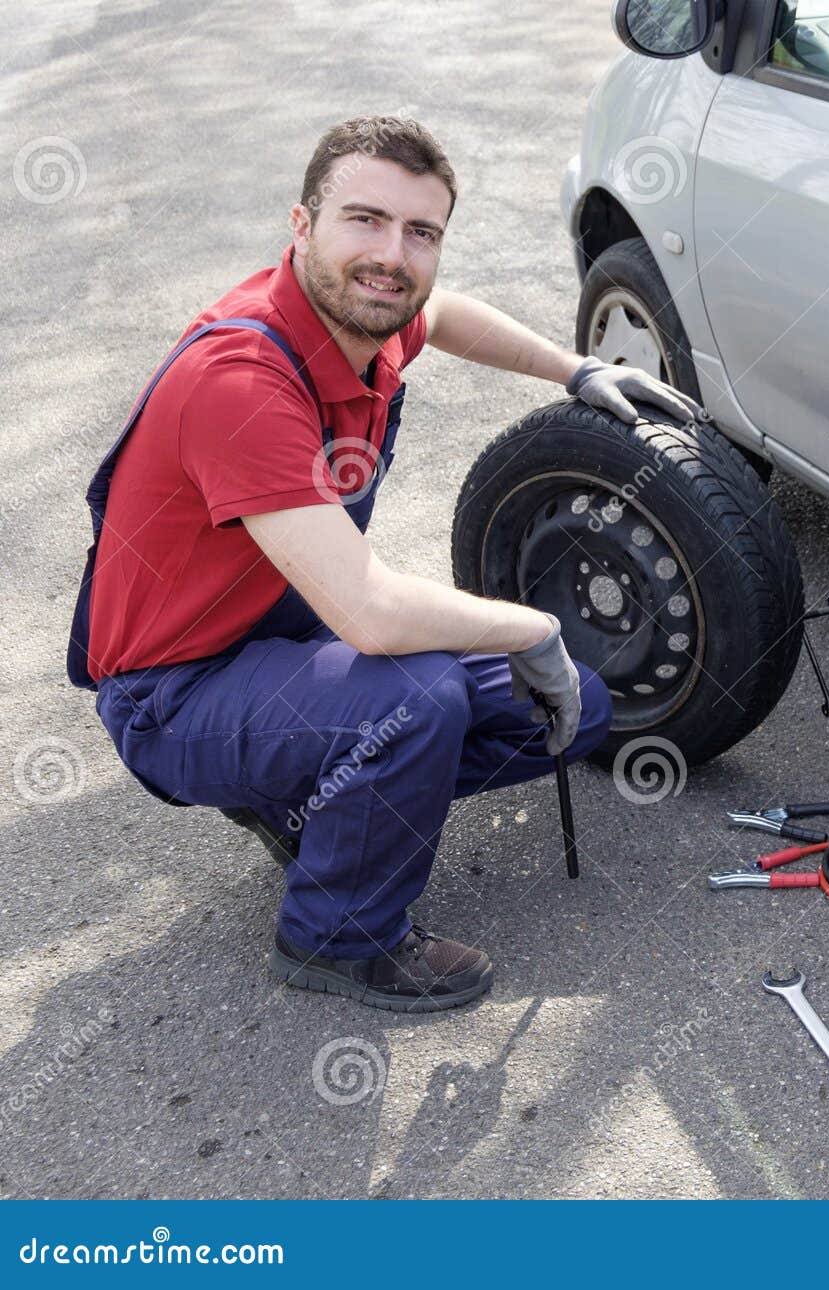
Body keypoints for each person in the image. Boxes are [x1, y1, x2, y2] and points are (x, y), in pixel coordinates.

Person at [66, 116, 701, 1013]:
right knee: (415, 704)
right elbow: (367, 614)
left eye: (421, 232)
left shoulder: (369, 312)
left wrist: (574, 370)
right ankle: (336, 938)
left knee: (571, 705)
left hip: (275, 642)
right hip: (174, 692)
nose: (391, 256)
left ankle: (316, 799)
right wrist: (534, 627)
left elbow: (442, 317)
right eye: (364, 220)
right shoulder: (241, 380)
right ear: (302, 226)